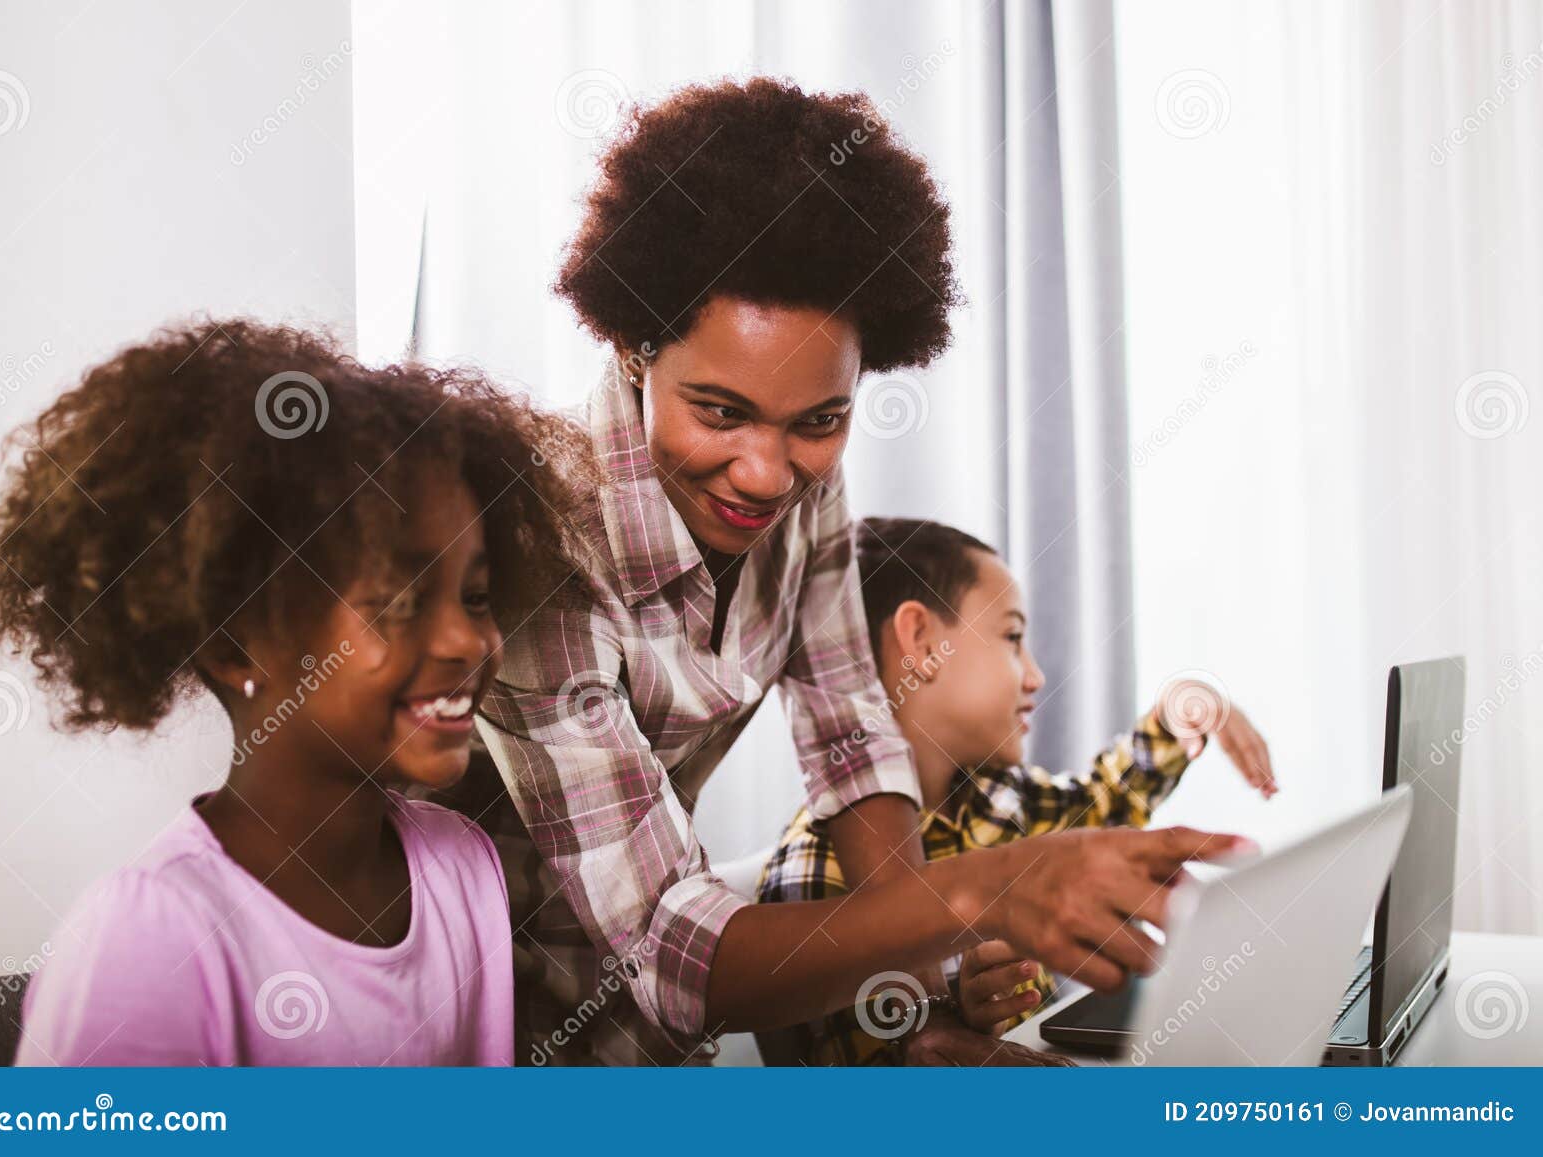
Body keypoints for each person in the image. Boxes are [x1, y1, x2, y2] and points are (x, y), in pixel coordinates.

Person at [429, 78, 1251, 1066]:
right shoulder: (544, 558)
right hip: (502, 1044)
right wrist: (986, 890)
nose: (768, 472)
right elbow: (673, 958)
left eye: (819, 419)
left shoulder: (793, 472)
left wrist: (926, 976)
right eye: (719, 411)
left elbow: (850, 731)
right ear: (632, 347)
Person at [0, 319, 581, 1065]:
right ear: (235, 645)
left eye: (477, 595)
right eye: (398, 601)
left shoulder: (464, 869)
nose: (466, 641)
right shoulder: (149, 938)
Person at [756, 517, 1276, 1063]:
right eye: (1011, 638)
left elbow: (1106, 802)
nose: (1034, 677)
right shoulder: (817, 871)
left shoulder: (1004, 800)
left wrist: (1182, 705)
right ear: (920, 641)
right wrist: (958, 1020)